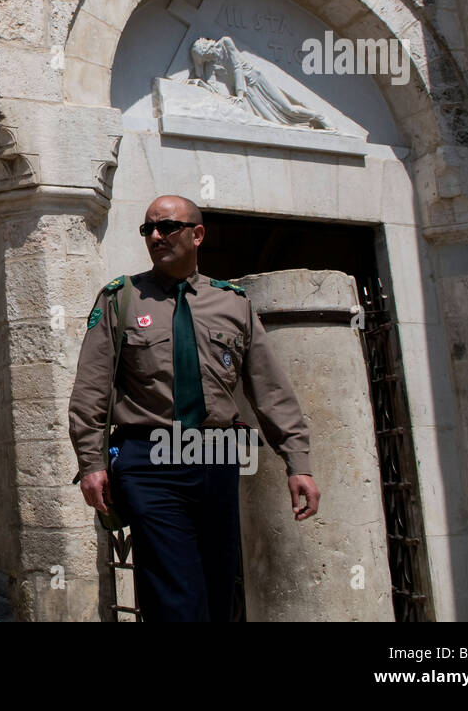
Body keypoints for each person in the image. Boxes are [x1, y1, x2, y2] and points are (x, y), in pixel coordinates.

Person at [68, 194, 321, 622]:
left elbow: (269, 388)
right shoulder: (120, 298)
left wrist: (298, 462)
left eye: (167, 227)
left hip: (215, 458)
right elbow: (90, 389)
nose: (156, 236)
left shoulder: (232, 302)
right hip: (148, 460)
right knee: (176, 597)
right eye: (148, 228)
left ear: (197, 234)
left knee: (218, 589)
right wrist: (92, 463)